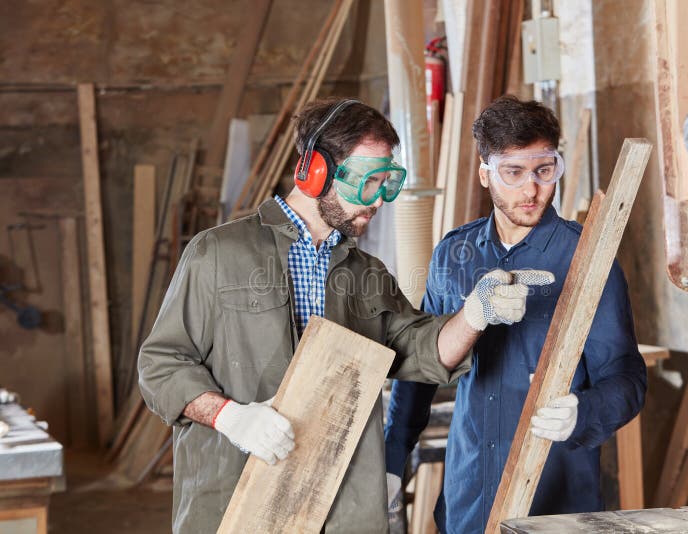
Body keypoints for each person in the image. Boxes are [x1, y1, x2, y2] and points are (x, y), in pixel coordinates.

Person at [138, 97, 554, 534]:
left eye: (386, 182)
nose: (377, 200)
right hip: (239, 504)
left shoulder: (366, 273)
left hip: (341, 512)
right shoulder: (218, 253)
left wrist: (475, 313)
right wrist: (230, 417)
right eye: (365, 182)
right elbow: (161, 365)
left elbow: (421, 350)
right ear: (313, 170)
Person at [384, 95, 647, 533]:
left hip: (558, 505)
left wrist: (583, 410)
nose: (531, 190)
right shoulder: (454, 254)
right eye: (514, 173)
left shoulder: (588, 256)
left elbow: (628, 376)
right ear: (486, 173)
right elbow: (419, 371)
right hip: (468, 500)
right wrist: (393, 460)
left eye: (544, 171)